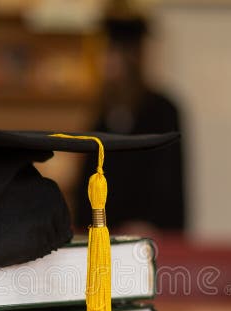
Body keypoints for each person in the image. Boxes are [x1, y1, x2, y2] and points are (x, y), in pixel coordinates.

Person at [74, 12, 186, 232]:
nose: (103, 61)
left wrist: (149, 222)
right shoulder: (101, 116)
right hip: (105, 233)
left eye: (110, 53)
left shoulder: (162, 111)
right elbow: (89, 179)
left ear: (130, 56)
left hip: (150, 233)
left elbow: (168, 178)